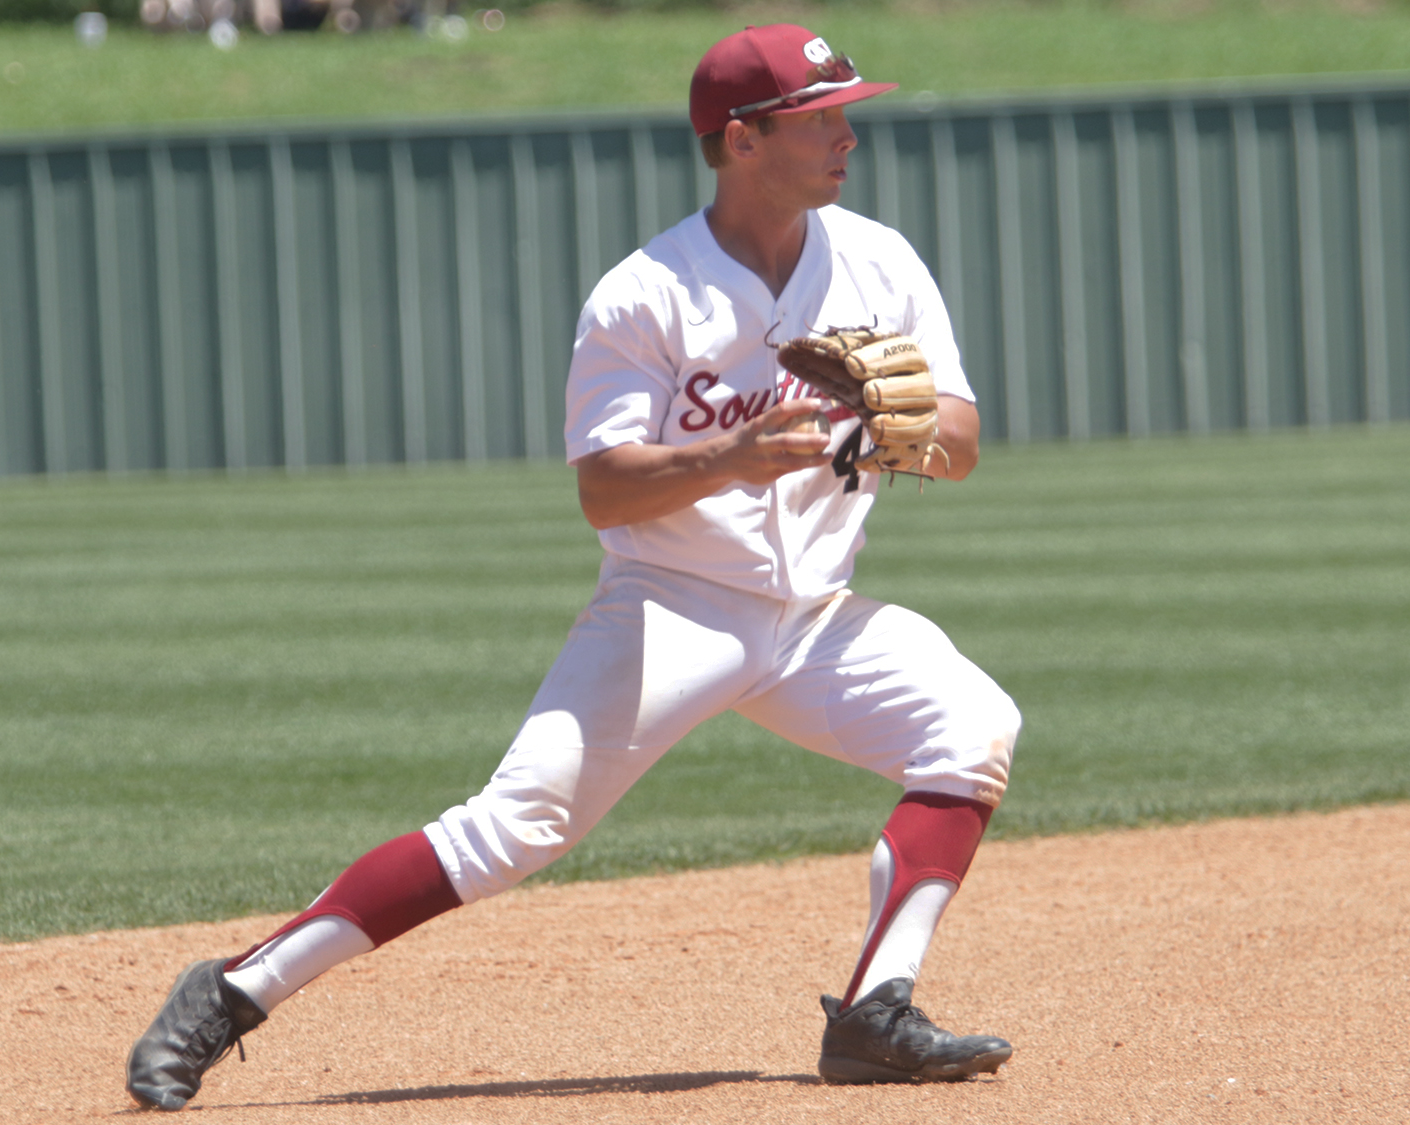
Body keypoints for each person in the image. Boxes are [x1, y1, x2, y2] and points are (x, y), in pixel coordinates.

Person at [124, 23, 1021, 1111]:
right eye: (816, 117)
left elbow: (962, 445)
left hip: (813, 619)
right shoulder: (645, 293)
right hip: (672, 609)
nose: (845, 135)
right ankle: (232, 992)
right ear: (741, 140)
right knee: (513, 826)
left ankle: (874, 1011)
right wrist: (731, 452)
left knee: (971, 729)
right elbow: (604, 489)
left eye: (843, 112)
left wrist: (898, 423)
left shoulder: (879, 261)